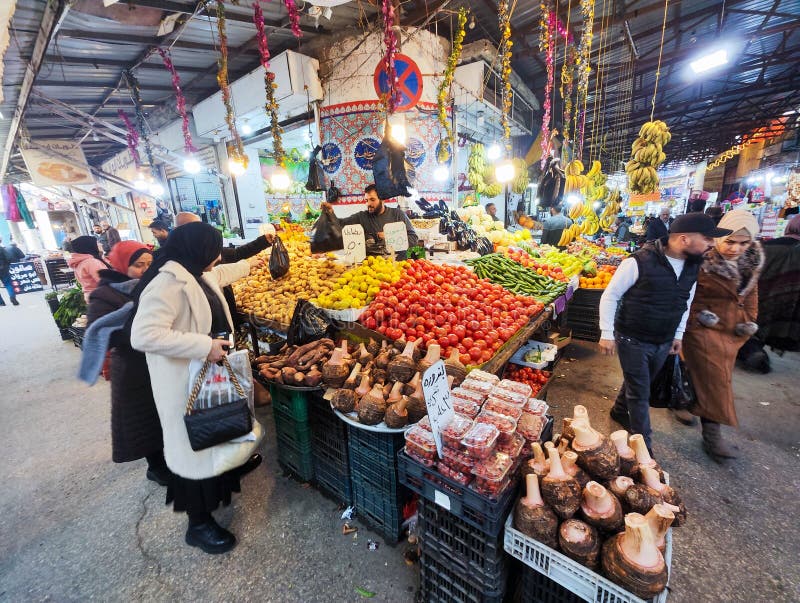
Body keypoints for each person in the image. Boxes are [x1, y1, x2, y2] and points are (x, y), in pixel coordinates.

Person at [130, 222, 263, 554]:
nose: (218, 255)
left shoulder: (197, 273)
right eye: (214, 249)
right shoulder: (166, 285)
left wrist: (253, 263)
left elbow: (223, 275)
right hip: (185, 381)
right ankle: (198, 524)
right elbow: (143, 335)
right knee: (195, 449)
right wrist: (203, 346)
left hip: (209, 372)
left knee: (220, 429)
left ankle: (228, 471)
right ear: (198, 249)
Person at [599, 213, 732, 454]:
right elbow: (610, 295)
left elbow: (686, 300)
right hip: (632, 336)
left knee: (641, 381)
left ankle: (619, 410)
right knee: (641, 393)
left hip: (664, 338)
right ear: (684, 239)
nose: (712, 243)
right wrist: (606, 332)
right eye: (707, 238)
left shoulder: (693, 266)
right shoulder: (639, 261)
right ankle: (645, 452)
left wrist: (678, 334)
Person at [80, 241, 171, 485]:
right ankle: (157, 467)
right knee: (145, 418)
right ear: (122, 265)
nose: (145, 269)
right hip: (133, 366)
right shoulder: (105, 294)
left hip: (160, 359)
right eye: (138, 265)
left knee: (166, 412)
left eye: (149, 264)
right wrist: (137, 320)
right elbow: (101, 333)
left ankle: (172, 458)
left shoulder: (156, 285)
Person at [682, 210, 763, 461]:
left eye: (743, 243)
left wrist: (748, 322)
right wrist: (695, 319)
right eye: (729, 241)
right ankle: (712, 437)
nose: (735, 248)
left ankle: (682, 401)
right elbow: (686, 294)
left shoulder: (751, 262)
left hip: (732, 331)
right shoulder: (701, 260)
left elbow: (750, 296)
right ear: (719, 237)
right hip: (702, 328)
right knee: (716, 381)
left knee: (705, 376)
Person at [738, 214, 800, 368]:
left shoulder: (765, 247)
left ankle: (752, 350)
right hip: (790, 308)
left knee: (751, 327)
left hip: (761, 298)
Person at [320, 184, 418, 254]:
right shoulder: (361, 217)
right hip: (370, 267)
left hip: (396, 264)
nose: (368, 204)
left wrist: (390, 237)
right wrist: (330, 214)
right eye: (366, 200)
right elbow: (340, 224)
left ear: (383, 199)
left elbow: (413, 239)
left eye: (372, 199)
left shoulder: (398, 214)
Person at [68, 235, 113, 302]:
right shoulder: (91, 262)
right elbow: (107, 281)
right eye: (97, 242)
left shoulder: (81, 262)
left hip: (93, 298)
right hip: (103, 299)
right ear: (90, 246)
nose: (101, 244)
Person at [0, 239, 18, 306]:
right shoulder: (1, 249)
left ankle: (1, 303)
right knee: (8, 284)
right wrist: (6, 265)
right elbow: (9, 258)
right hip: (3, 269)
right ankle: (12, 297)